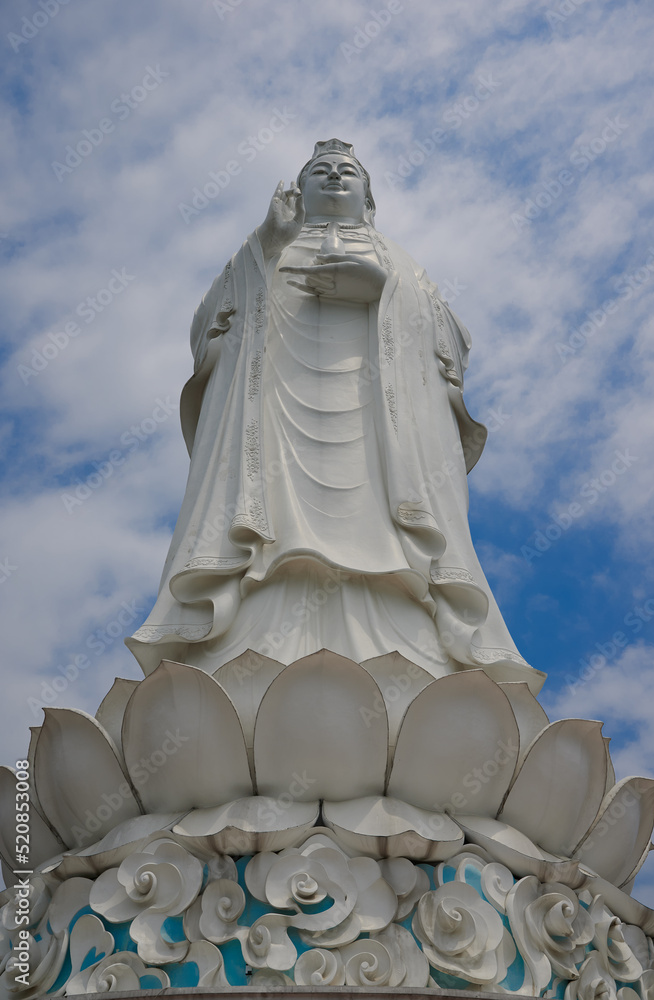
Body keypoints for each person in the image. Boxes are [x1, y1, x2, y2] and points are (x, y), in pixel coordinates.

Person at [127, 139, 545, 694]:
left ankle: (415, 663)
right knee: (268, 539)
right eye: (319, 170)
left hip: (380, 444)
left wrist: (385, 291)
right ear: (299, 192)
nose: (333, 176)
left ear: (367, 198)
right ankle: (240, 654)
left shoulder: (401, 264)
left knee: (386, 538)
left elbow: (452, 346)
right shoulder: (263, 251)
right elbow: (208, 330)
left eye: (347, 171)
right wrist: (263, 247)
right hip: (273, 433)